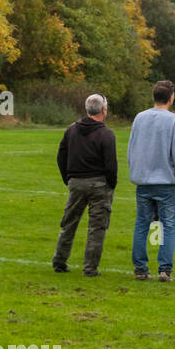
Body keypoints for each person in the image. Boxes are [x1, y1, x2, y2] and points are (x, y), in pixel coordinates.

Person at [128, 80, 175, 282]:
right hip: (167, 183)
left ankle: (140, 268)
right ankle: (164, 269)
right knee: (168, 225)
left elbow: (131, 149)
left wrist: (136, 170)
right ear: (171, 98)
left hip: (143, 181)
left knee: (142, 224)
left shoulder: (139, 118)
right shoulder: (174, 121)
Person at [52, 93, 117, 276]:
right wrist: (111, 184)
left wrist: (68, 178)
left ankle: (59, 260)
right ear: (103, 110)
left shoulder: (71, 130)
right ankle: (90, 268)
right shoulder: (106, 134)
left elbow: (61, 156)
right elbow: (111, 164)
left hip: (76, 183)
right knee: (97, 228)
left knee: (69, 224)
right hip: (99, 184)